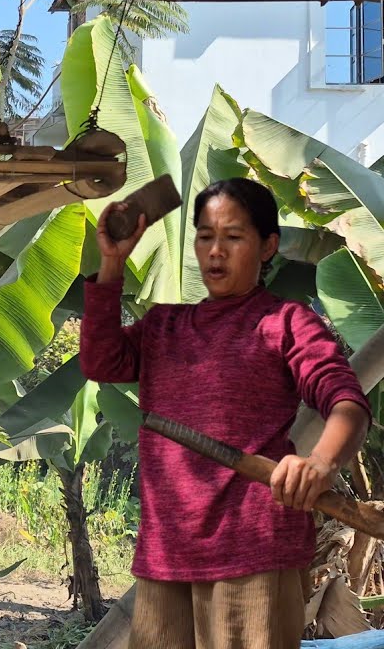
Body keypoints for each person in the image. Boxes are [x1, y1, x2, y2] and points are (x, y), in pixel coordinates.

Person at [82, 177, 371, 648]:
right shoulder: (164, 325)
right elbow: (101, 362)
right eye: (205, 236)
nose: (215, 251)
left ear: (267, 246)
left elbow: (347, 402)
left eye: (233, 237)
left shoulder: (287, 322)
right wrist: (113, 262)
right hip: (167, 554)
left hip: (254, 556)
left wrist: (320, 462)